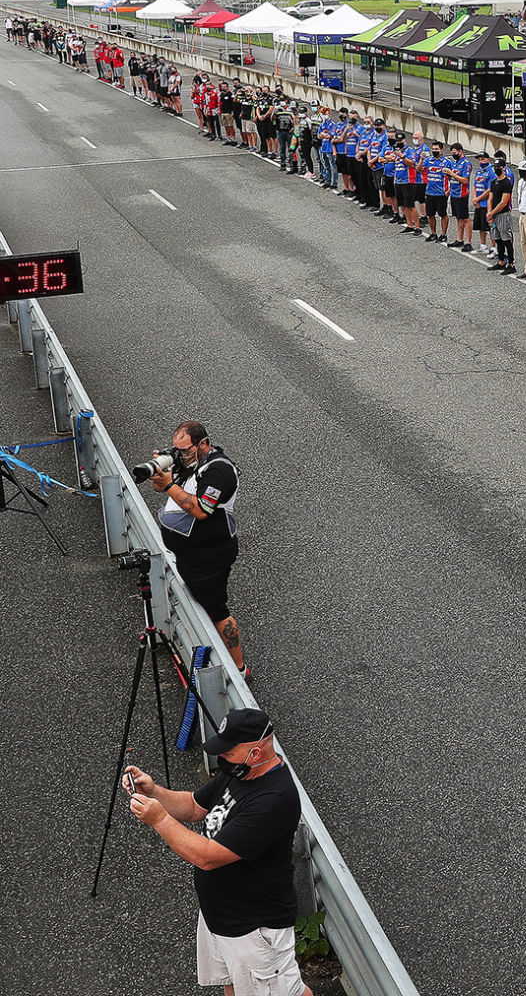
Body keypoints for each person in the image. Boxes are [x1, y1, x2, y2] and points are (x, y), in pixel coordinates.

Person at [124, 708, 309, 996]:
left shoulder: (274, 799)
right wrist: (155, 792)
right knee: (232, 985)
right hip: (220, 917)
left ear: (256, 753)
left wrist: (160, 819)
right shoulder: (238, 773)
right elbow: (194, 807)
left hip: (255, 929)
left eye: (228, 752)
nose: (221, 759)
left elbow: (209, 857)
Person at [152, 422, 247, 674]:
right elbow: (163, 488)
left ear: (203, 443)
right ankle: (208, 658)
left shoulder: (220, 471)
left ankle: (239, 670)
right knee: (200, 605)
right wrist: (160, 475)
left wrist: (169, 485)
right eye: (178, 449)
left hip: (211, 555)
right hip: (191, 553)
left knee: (217, 610)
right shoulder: (191, 463)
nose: (181, 454)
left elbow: (201, 510)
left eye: (185, 450)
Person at [486, 153, 518, 274]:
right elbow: (491, 198)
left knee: (506, 239)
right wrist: (490, 213)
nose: (496, 169)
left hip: (503, 214)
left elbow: (504, 202)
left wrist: (492, 212)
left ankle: (511, 264)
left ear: (504, 168)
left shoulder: (506, 183)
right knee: (497, 238)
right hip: (494, 215)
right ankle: (500, 261)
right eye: (495, 167)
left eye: (499, 167)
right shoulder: (494, 182)